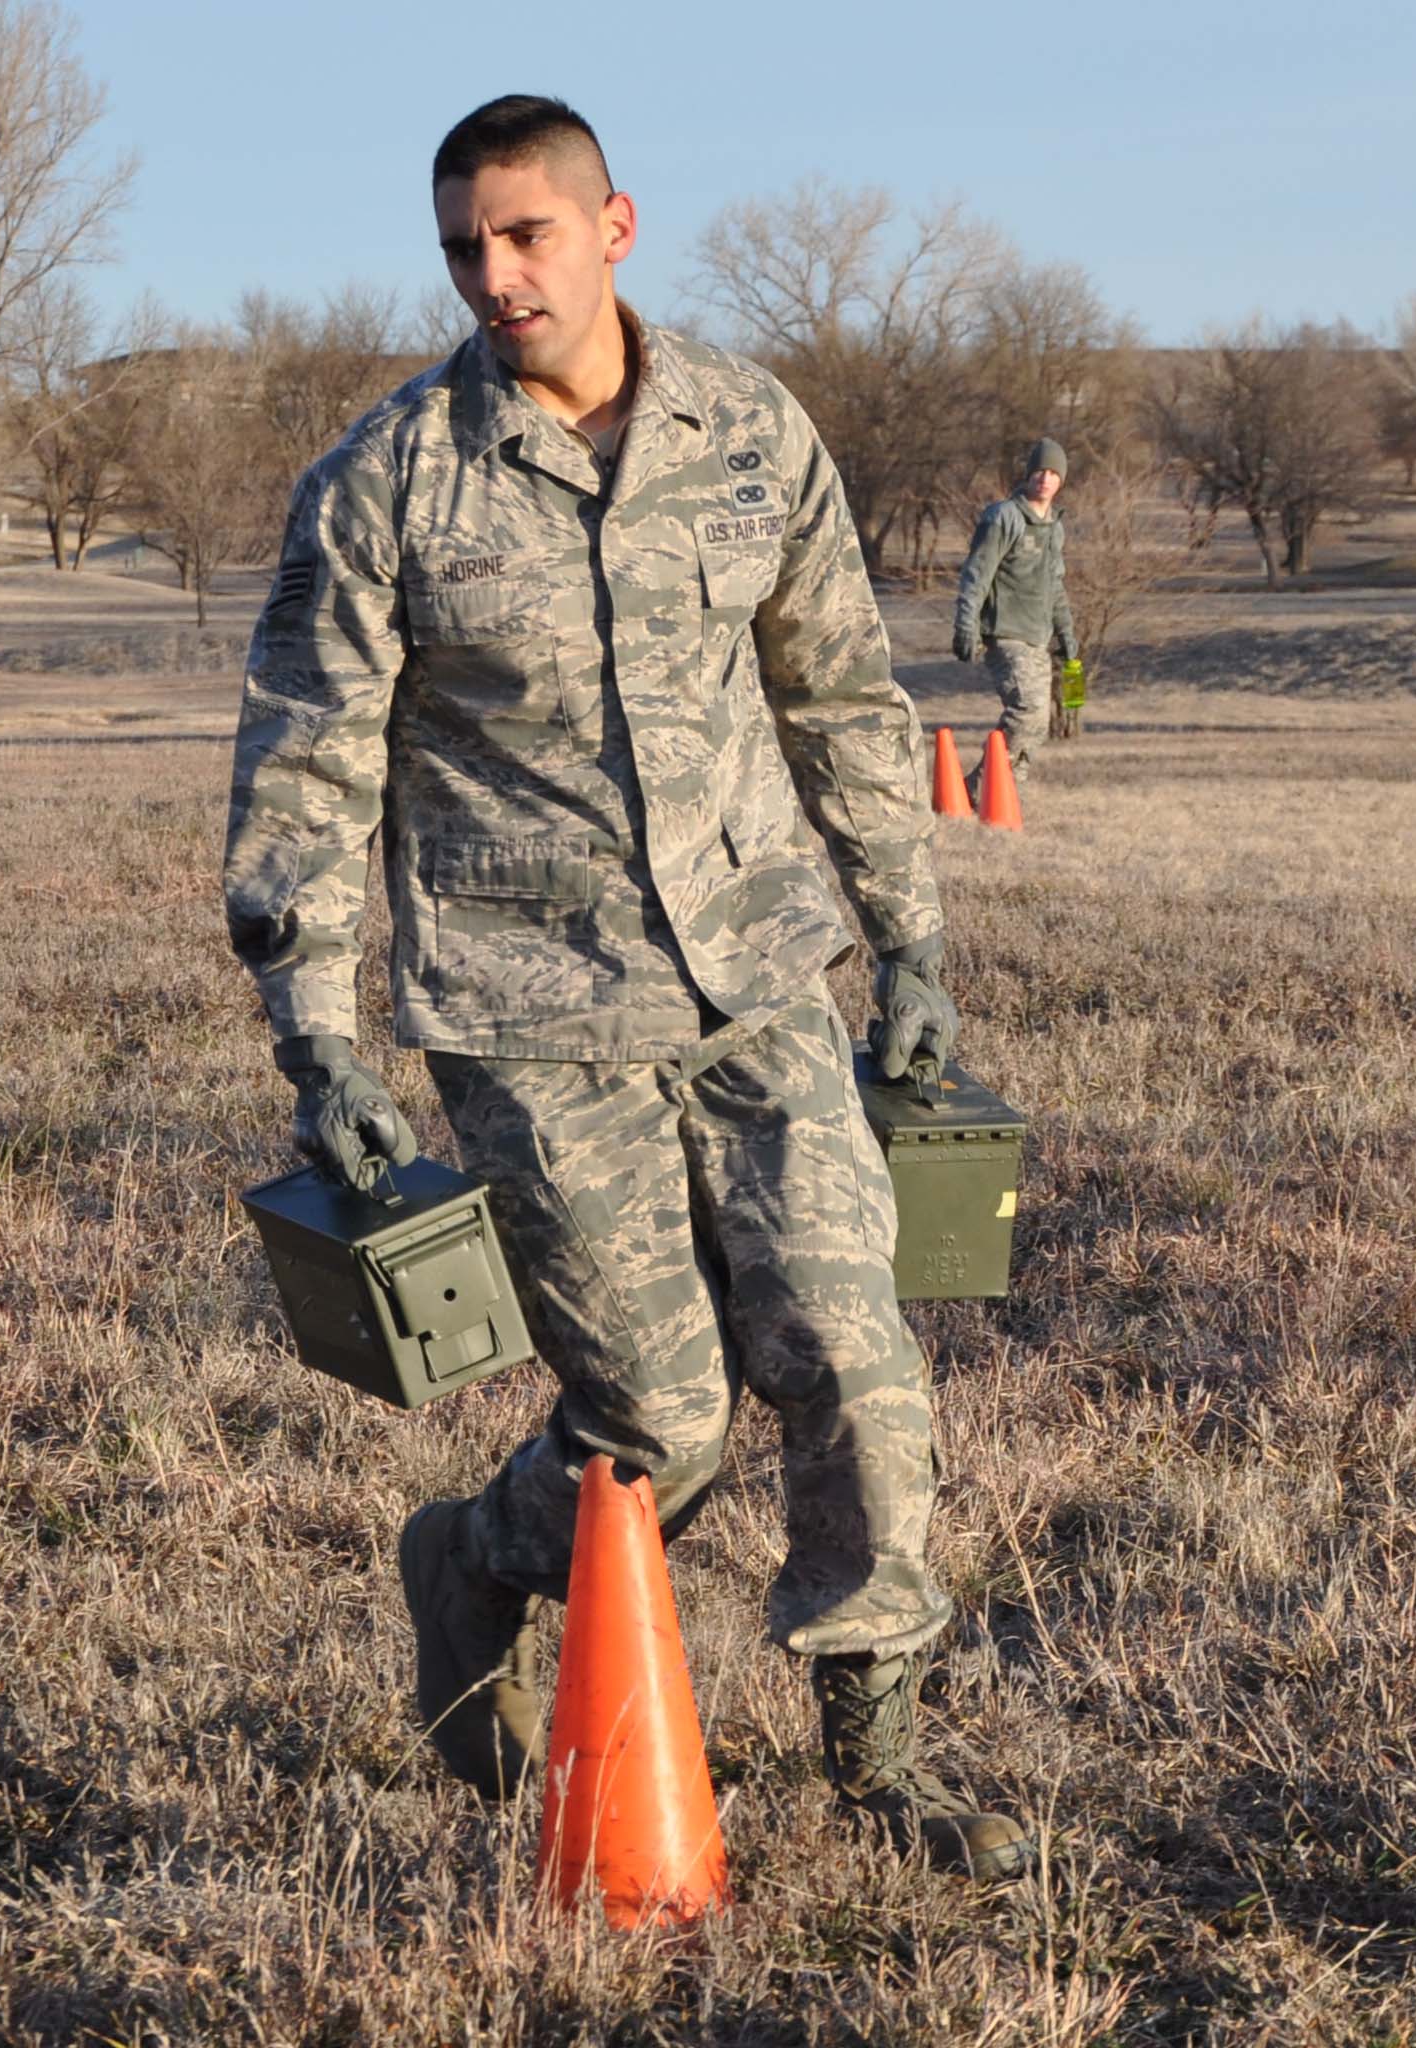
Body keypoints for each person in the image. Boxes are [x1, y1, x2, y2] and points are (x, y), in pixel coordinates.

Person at [220, 94, 1030, 1881]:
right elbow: (307, 763)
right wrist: (318, 1037)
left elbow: (839, 693)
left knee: (854, 1354)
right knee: (660, 1427)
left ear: (614, 226)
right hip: (528, 1012)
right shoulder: (389, 478)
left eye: (525, 234)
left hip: (755, 978)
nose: (494, 275)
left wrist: (907, 939)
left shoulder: (748, 433)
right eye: (463, 246)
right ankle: (471, 1559)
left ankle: (879, 1748)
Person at [952, 442, 1082, 788]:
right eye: (1039, 471)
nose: (1045, 478)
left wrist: (1066, 634)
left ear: (1061, 480)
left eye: (1053, 473)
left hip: (1038, 635)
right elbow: (977, 573)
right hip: (1004, 631)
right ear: (1027, 475)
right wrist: (966, 623)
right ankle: (978, 789)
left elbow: (1055, 586)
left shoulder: (1054, 527)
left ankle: (1010, 793)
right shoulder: (1003, 517)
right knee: (1027, 707)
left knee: (1037, 724)